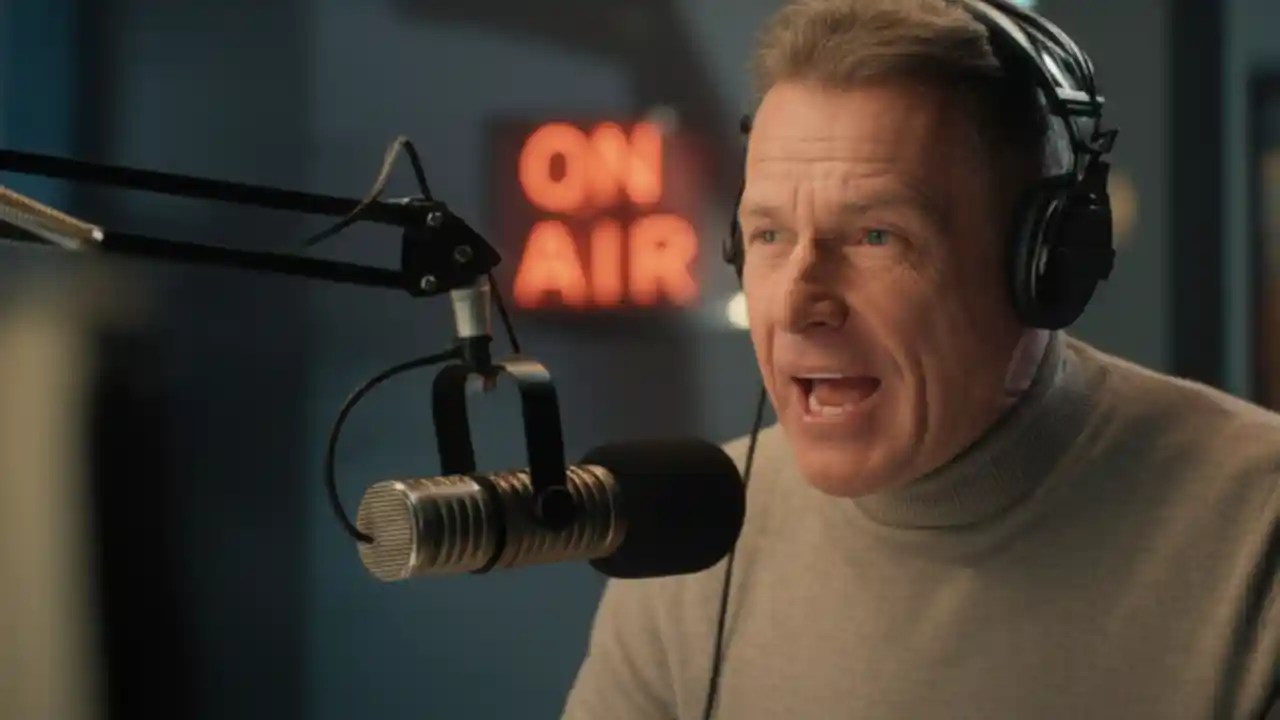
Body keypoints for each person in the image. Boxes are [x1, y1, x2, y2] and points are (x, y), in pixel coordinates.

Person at [562, 0, 1280, 717]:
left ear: (1043, 265)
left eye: (877, 236)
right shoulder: (687, 546)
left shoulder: (1258, 532)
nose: (797, 304)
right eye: (770, 236)